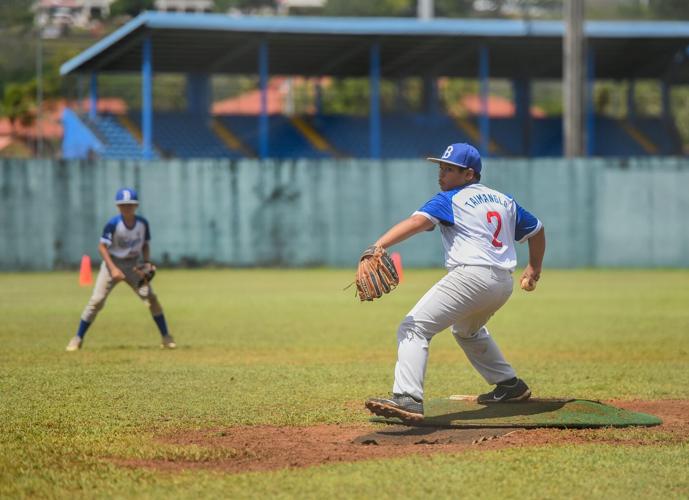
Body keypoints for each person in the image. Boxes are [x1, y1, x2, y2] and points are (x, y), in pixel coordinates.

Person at [365, 143, 545, 422]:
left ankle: (407, 398)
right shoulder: (503, 200)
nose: (442, 174)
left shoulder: (449, 199)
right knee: (467, 331)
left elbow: (416, 223)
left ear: (469, 174)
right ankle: (510, 385)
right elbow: (536, 229)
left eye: (449, 169)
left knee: (413, 327)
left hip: (471, 277)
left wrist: (378, 246)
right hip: (501, 283)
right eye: (441, 168)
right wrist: (534, 267)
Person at [65, 188, 176, 351]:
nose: (127, 208)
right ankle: (77, 338)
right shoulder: (113, 224)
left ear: (136, 206)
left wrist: (146, 263)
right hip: (112, 265)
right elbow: (102, 247)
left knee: (151, 298)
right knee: (96, 301)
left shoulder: (142, 224)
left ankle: (166, 337)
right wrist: (114, 269)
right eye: (123, 205)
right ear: (118, 207)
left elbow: (145, 244)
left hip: (134, 267)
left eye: (130, 205)